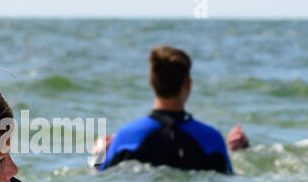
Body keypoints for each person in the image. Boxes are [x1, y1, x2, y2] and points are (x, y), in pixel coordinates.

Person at [92, 46, 248, 173]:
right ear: (188, 84)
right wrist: (241, 151)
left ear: (151, 82)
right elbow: (230, 179)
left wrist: (98, 153)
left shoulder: (126, 137)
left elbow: (99, 174)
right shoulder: (212, 139)